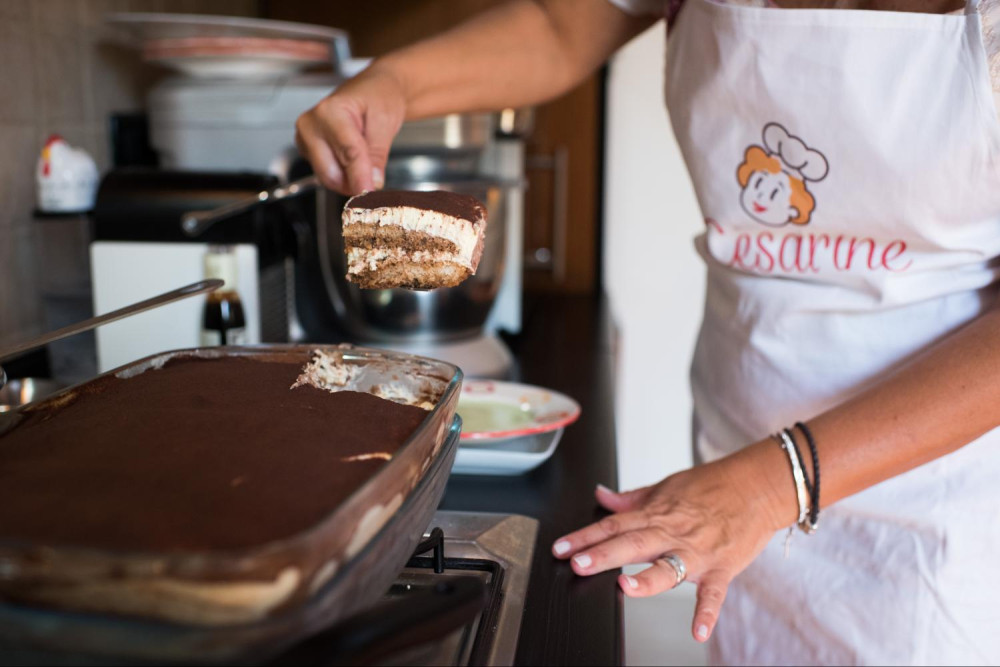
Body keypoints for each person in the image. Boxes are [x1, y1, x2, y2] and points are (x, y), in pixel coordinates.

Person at [296, 1, 1000, 663]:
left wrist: (776, 481)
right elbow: (558, 25)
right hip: (729, 465)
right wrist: (391, 84)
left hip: (926, 501)